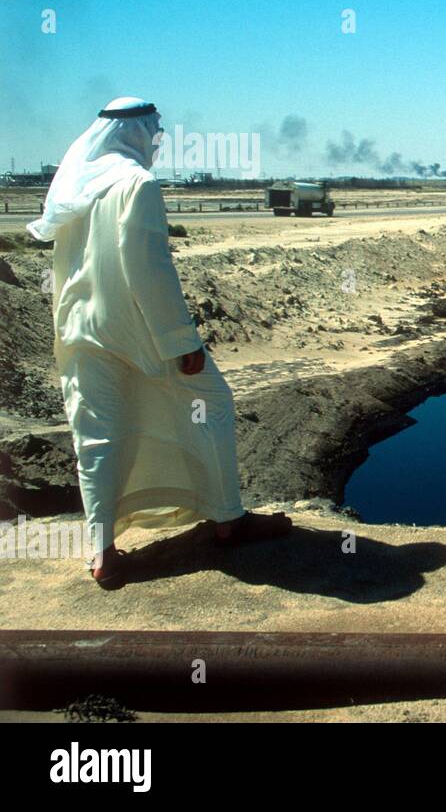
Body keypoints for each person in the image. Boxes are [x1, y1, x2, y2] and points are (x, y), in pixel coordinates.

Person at [28, 97, 290, 589]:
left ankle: (102, 555)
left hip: (81, 327)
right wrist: (180, 340)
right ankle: (228, 520)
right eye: (156, 130)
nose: (158, 139)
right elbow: (149, 268)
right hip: (136, 327)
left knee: (98, 435)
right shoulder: (137, 183)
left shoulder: (78, 184)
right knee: (211, 402)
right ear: (138, 132)